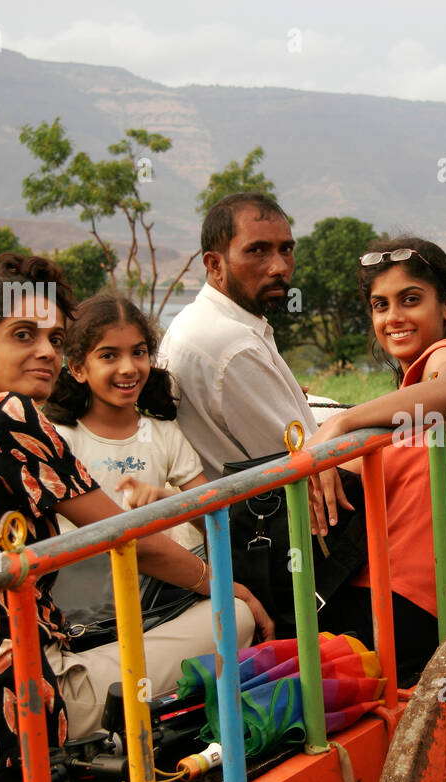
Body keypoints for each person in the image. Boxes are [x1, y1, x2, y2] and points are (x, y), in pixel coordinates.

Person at [0, 254, 218, 767]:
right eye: (23, 335)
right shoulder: (8, 414)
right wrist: (227, 585)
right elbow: (131, 540)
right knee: (230, 616)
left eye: (56, 340)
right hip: (15, 713)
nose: (46, 353)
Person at [157, 193, 365, 629]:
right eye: (257, 251)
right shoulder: (229, 346)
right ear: (214, 263)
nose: (279, 267)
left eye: (285, 249)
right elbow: (307, 460)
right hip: (277, 541)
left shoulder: (219, 324)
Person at [305, 237, 446, 681]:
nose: (393, 318)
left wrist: (340, 424)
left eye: (410, 300)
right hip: (383, 589)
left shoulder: (445, 358)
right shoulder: (405, 403)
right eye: (380, 305)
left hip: (418, 599)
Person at [42, 290, 273, 657]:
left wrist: (168, 501)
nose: (129, 367)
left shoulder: (163, 433)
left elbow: (212, 520)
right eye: (108, 356)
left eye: (139, 352)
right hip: (81, 602)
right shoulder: (59, 439)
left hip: (152, 593)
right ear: (78, 368)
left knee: (240, 614)